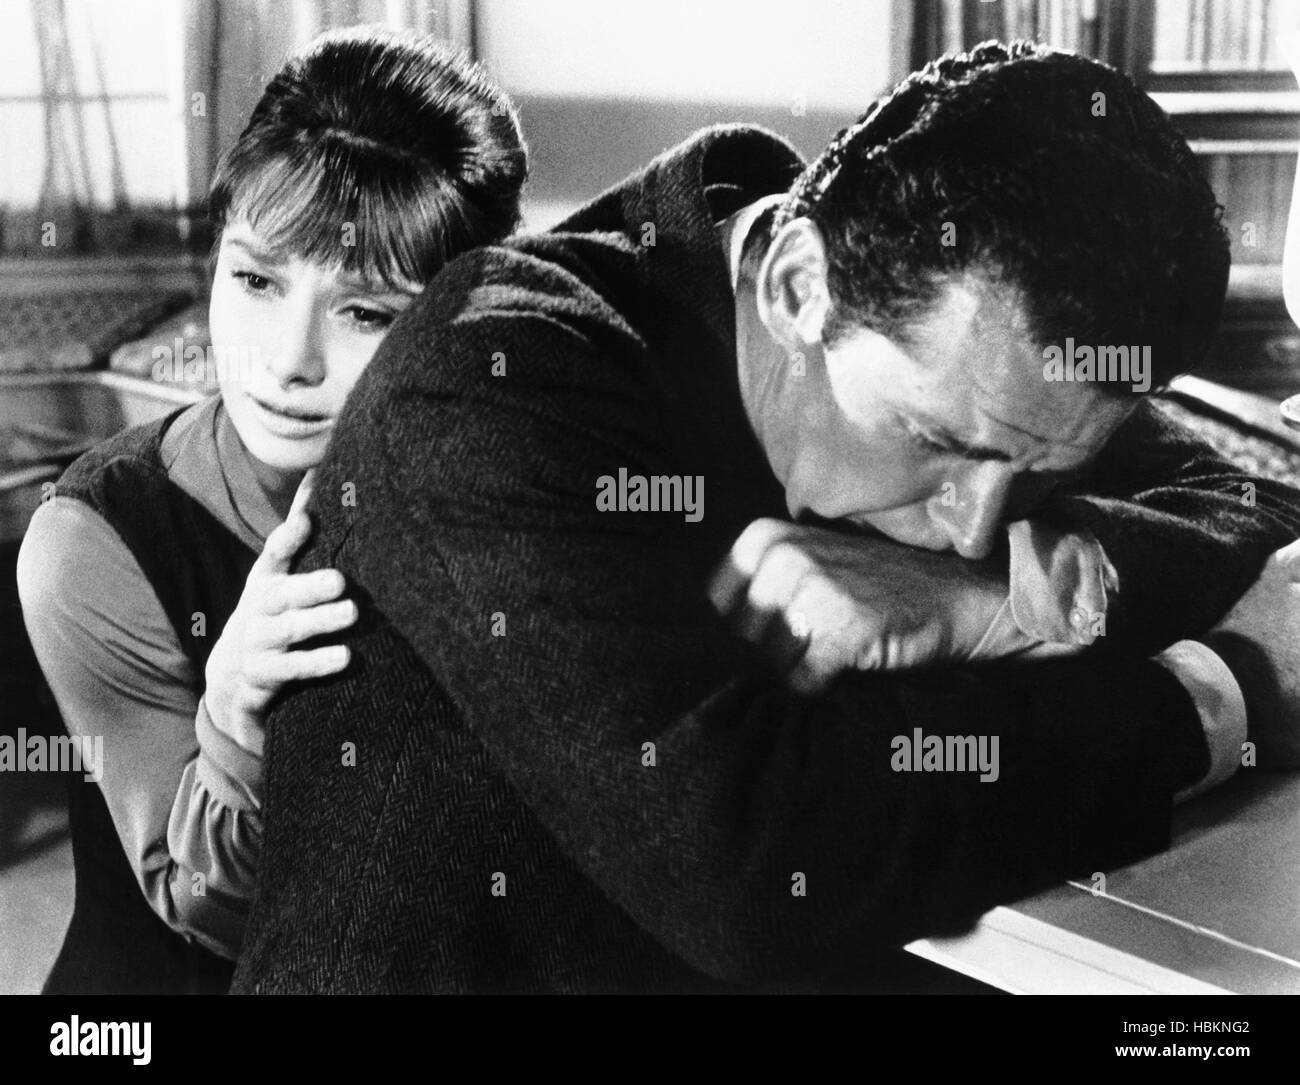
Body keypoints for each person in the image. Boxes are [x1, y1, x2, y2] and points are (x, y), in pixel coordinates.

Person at [235, 42, 1300, 994]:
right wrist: (1212, 695)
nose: (978, 521)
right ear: (795, 284)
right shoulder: (490, 374)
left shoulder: (984, 359)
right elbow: (748, 865)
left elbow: (1261, 494)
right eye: (940, 444)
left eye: (1029, 473)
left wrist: (988, 600)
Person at [16, 26, 527, 994]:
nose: (286, 360)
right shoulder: (94, 535)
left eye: (365, 311)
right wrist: (236, 713)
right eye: (255, 279)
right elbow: (205, 910)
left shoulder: (512, 482)